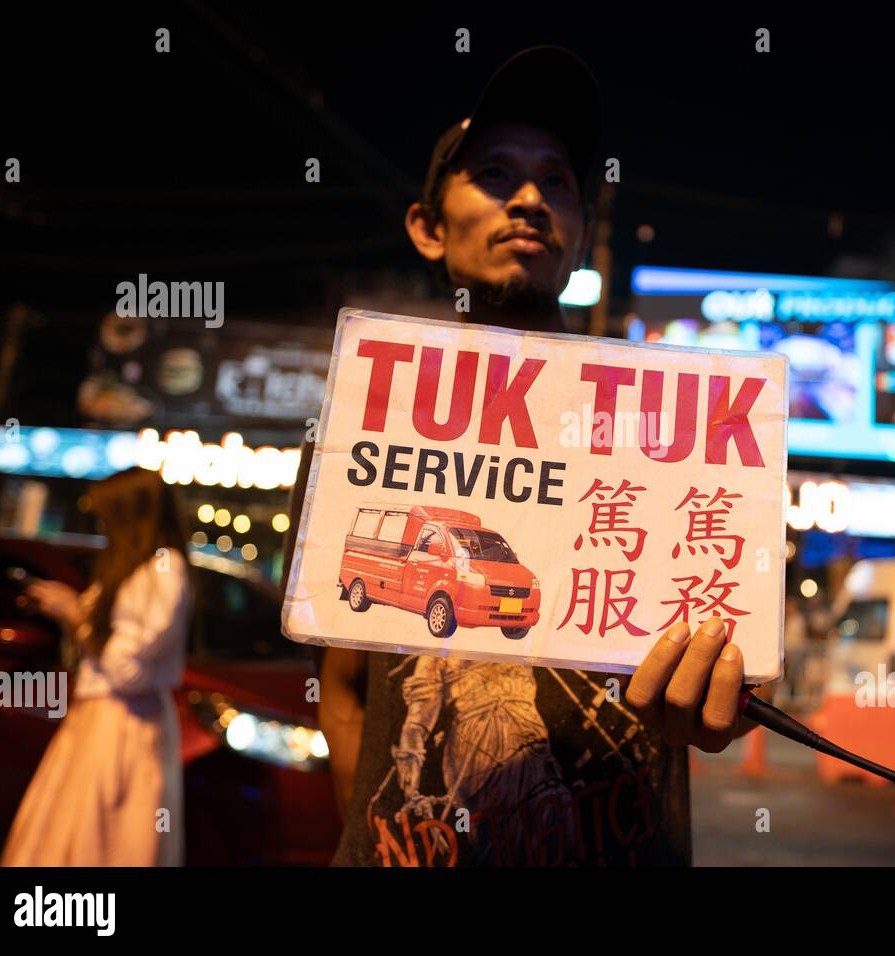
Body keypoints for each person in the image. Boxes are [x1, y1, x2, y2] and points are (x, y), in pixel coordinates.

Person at [283, 46, 756, 867]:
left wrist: (725, 692)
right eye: (495, 174)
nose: (531, 199)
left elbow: (730, 648)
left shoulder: (671, 437)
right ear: (428, 227)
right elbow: (344, 694)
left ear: (582, 236)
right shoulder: (362, 426)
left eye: (558, 182)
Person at [1, 466, 193, 866]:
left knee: (97, 838)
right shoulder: (138, 568)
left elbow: (126, 671)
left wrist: (73, 614)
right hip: (104, 717)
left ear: (129, 515)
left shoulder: (161, 570)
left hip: (121, 725)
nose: (100, 521)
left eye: (107, 513)